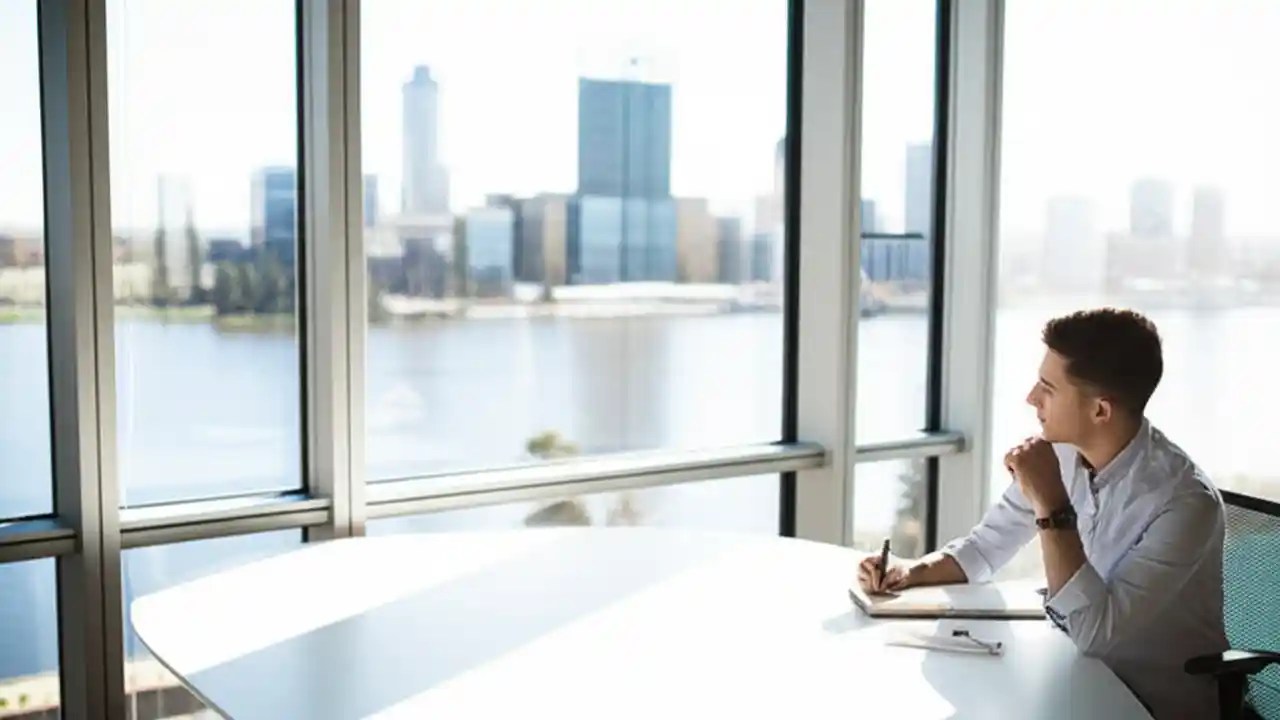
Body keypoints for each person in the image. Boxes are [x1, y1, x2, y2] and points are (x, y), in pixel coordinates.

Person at [858, 308, 1228, 719]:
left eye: (1048, 388)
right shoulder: (1063, 454)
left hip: (1148, 704)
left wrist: (1050, 502)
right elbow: (983, 548)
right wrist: (910, 571)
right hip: (1067, 677)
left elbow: (1096, 634)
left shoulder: (1185, 503)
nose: (1031, 398)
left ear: (1100, 411)